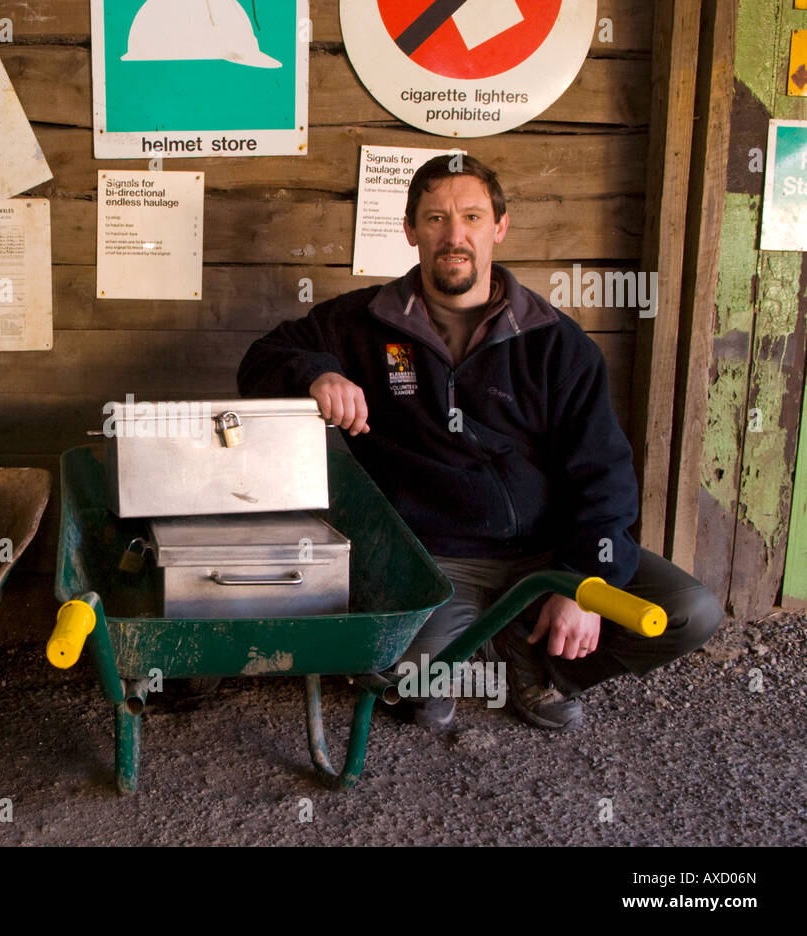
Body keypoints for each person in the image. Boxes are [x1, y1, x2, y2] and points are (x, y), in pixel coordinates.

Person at [237, 154, 723, 731]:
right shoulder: (361, 321)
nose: (455, 235)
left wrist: (586, 583)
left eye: (471, 216)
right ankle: (471, 650)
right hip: (433, 558)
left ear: (499, 227)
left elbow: (605, 478)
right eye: (436, 219)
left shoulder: (557, 343)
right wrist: (317, 375)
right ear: (411, 231)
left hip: (551, 553)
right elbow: (261, 358)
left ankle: (539, 667)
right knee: (412, 685)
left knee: (689, 612)